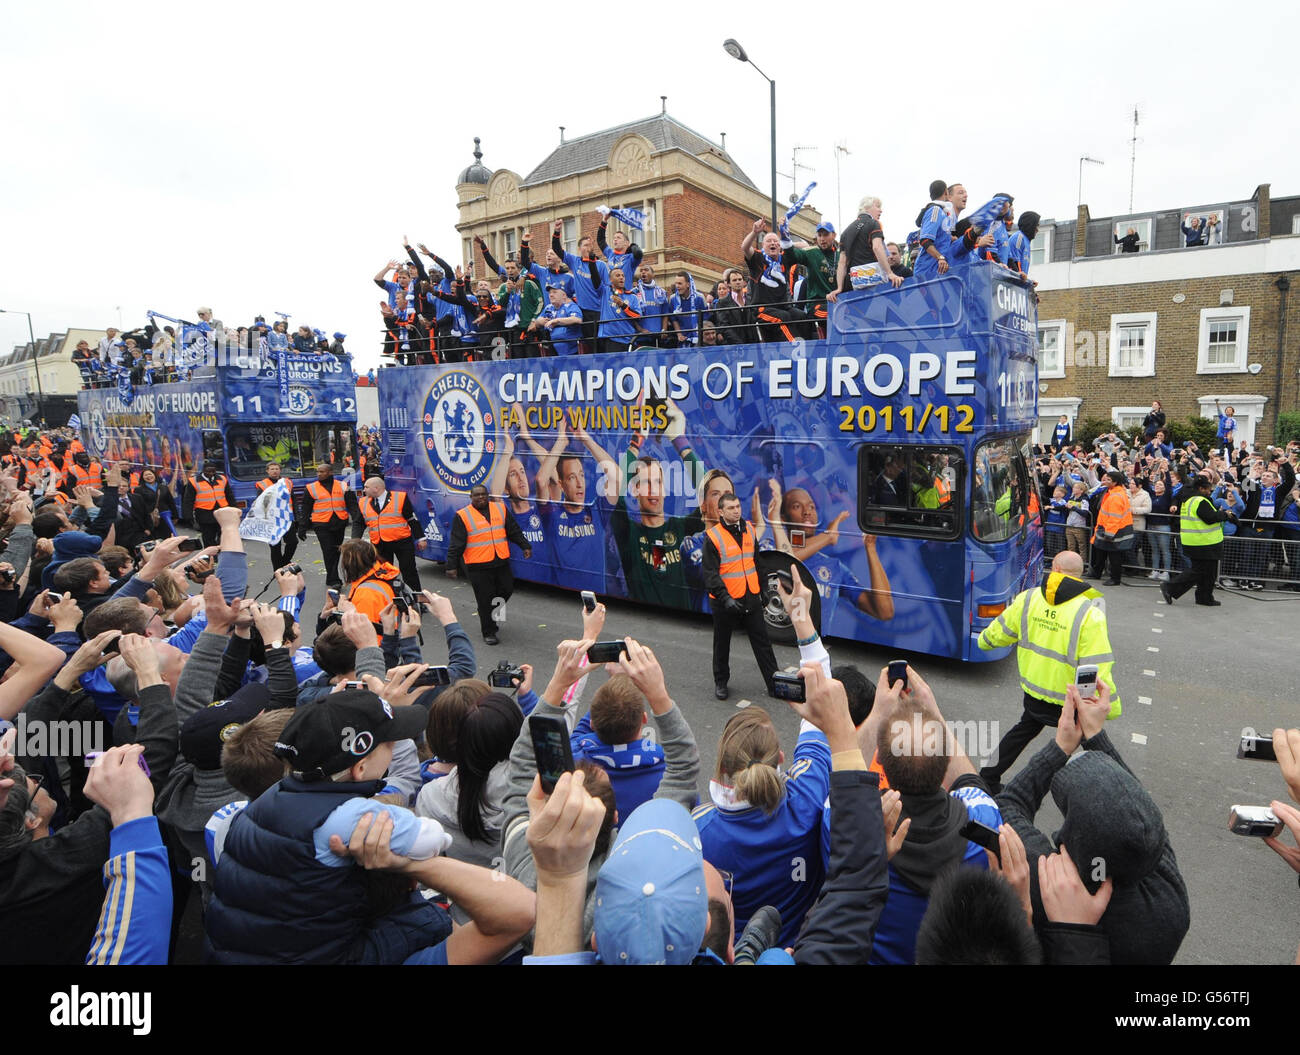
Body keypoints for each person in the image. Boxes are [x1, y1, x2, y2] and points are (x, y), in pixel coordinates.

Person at [995, 684, 1191, 964]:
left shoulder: (1048, 884)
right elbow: (1134, 807)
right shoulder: (1170, 900)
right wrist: (1095, 733)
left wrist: (1060, 747)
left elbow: (1008, 804)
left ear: (1075, 838)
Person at [976, 550, 1121, 791]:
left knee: (1022, 732)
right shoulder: (1090, 613)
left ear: (1054, 568)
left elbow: (999, 632)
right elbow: (1097, 667)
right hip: (1071, 701)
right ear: (1080, 574)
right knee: (1090, 744)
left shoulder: (1028, 598)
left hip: (1034, 692)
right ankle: (1115, 794)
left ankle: (987, 777)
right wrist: (1111, 707)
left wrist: (984, 642)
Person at [703, 491, 778, 700]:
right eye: (731, 508)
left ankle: (774, 684)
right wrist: (726, 598)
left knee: (762, 642)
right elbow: (710, 574)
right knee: (722, 642)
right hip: (725, 601)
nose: (736, 511)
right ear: (720, 511)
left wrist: (763, 590)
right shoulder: (713, 537)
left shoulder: (749, 529)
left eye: (738, 507)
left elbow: (757, 563)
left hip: (751, 595)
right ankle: (721, 682)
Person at [446, 484, 530, 646]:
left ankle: (490, 612)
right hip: (478, 566)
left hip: (500, 561)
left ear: (488, 495)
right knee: (485, 599)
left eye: (483, 494)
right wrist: (451, 566)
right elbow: (456, 544)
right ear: (471, 497)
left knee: (506, 589)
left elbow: (513, 530)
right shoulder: (463, 516)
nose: (481, 498)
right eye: (477, 495)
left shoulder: (500, 509)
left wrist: (524, 545)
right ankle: (489, 631)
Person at [1162, 474, 1237, 606]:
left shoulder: (1189, 501)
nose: (1210, 491)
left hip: (1194, 541)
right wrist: (1225, 514)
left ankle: (1204, 597)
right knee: (1200, 571)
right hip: (1205, 542)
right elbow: (1210, 517)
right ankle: (1171, 588)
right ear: (1202, 488)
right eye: (1208, 489)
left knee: (1207, 572)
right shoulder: (1201, 501)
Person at [298, 462, 363, 590]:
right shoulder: (311, 488)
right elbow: (305, 509)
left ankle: (331, 576)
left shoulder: (343, 486)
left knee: (337, 550)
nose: (319, 474)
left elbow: (352, 505)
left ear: (330, 472)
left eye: (322, 472)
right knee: (328, 551)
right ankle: (334, 580)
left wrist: (357, 520)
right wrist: (302, 527)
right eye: (318, 472)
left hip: (339, 522)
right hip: (321, 524)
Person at [359, 473, 422, 590]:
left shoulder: (400, 498)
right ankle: (389, 596)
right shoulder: (363, 502)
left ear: (376, 488)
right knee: (383, 573)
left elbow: (412, 519)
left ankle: (416, 598)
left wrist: (421, 538)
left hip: (402, 542)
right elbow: (359, 523)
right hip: (379, 544)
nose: (364, 490)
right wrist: (355, 540)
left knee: (409, 571)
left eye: (366, 487)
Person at [1090, 470, 1134, 585]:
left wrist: (1109, 533)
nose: (1105, 481)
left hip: (1113, 530)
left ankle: (1115, 579)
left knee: (1114, 556)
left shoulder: (1116, 496)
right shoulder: (1112, 492)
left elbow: (1115, 517)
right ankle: (1096, 572)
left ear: (1115, 482)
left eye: (1108, 480)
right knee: (1102, 552)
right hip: (1107, 528)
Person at [183, 460, 236, 548]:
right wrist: (188, 516)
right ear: (203, 470)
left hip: (222, 512)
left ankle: (222, 552)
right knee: (208, 537)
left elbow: (229, 495)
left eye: (213, 471)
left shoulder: (222, 479)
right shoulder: (194, 481)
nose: (211, 473)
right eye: (208, 471)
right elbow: (188, 500)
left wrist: (234, 508)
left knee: (224, 535)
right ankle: (211, 556)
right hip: (204, 514)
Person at [256, 462, 298, 571]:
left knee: (293, 542)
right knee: (275, 547)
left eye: (276, 469)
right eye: (272, 469)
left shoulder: (287, 482)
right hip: (272, 520)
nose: (275, 471)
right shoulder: (262, 484)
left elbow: (293, 500)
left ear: (280, 470)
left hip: (287, 518)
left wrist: (297, 517)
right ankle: (277, 569)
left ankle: (284, 562)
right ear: (267, 471)